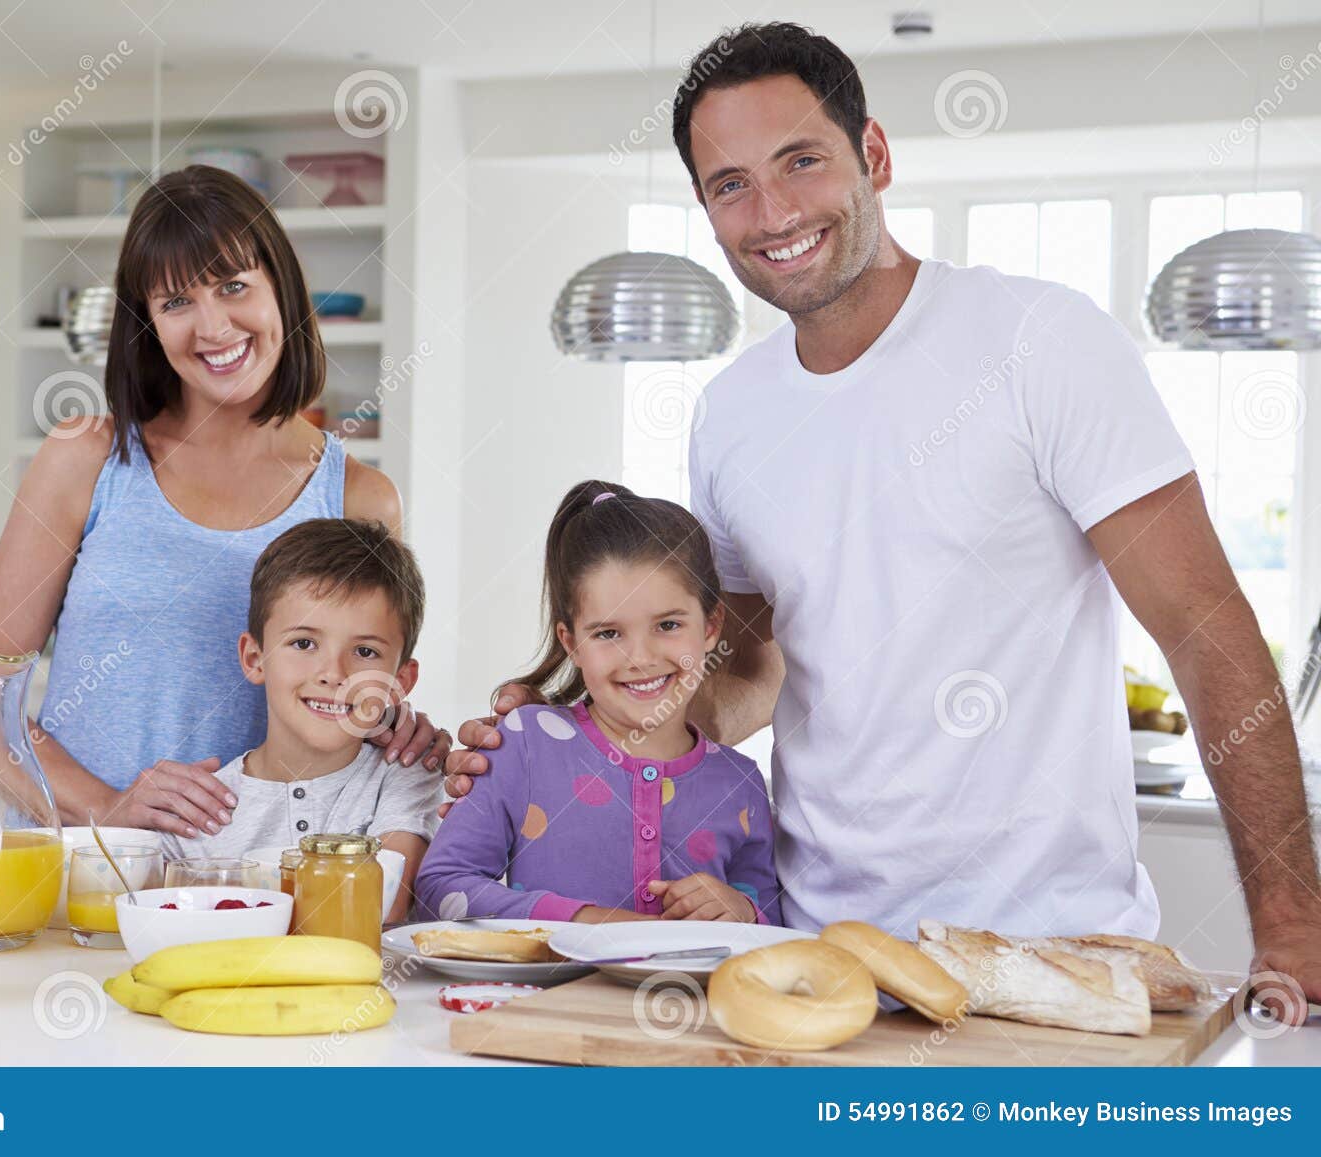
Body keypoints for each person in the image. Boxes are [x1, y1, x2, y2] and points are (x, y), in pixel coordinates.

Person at [445, 22, 1321, 1018]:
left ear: (873, 156)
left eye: (800, 161)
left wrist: (1293, 924)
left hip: (1055, 955)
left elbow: (1203, 626)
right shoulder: (729, 412)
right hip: (819, 954)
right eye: (728, 183)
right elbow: (742, 674)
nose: (770, 211)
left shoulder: (1040, 339)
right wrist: (568, 731)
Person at [0, 165, 449, 841]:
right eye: (175, 302)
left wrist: (392, 725)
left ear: (280, 288)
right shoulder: (86, 458)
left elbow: (335, 702)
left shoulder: (360, 499)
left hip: (259, 888)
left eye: (233, 285)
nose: (213, 326)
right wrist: (107, 808)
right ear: (147, 325)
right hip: (83, 885)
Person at [416, 481, 781, 925]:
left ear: (711, 626)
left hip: (687, 998)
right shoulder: (525, 743)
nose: (641, 658)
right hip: (544, 998)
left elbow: (772, 935)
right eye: (608, 633)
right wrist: (591, 922)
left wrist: (742, 912)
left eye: (668, 624)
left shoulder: (740, 784)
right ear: (571, 642)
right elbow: (442, 887)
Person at [160, 518, 441, 922]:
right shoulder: (201, 810)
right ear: (255, 659)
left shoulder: (407, 778)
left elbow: (382, 903)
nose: (333, 673)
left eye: (364, 652)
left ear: (399, 680)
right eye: (304, 643)